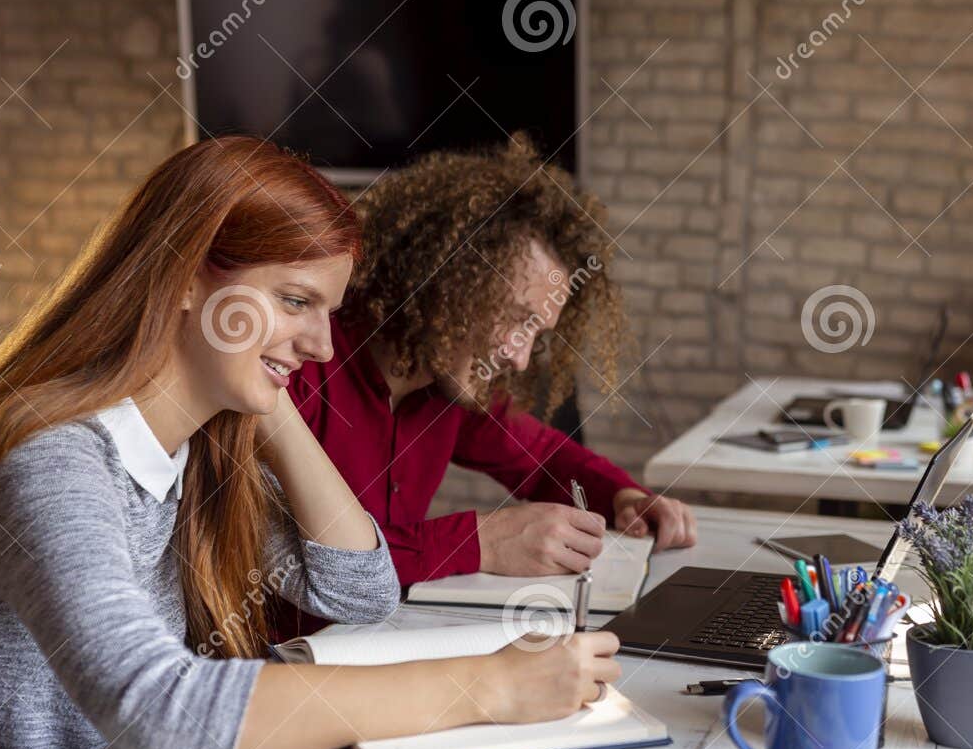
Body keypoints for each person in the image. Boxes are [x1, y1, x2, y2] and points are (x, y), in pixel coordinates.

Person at [0, 137, 619, 749]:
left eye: (324, 311)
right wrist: (488, 686)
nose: (320, 343)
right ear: (188, 274)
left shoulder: (198, 452)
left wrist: (264, 402)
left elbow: (361, 589)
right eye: (296, 301)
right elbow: (162, 708)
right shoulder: (57, 463)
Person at [287, 134, 696, 585]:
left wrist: (623, 495)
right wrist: (483, 540)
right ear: (449, 281)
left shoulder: (450, 382)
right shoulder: (298, 366)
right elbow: (299, 569)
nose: (521, 359)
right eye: (516, 319)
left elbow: (542, 457)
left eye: (536, 333)